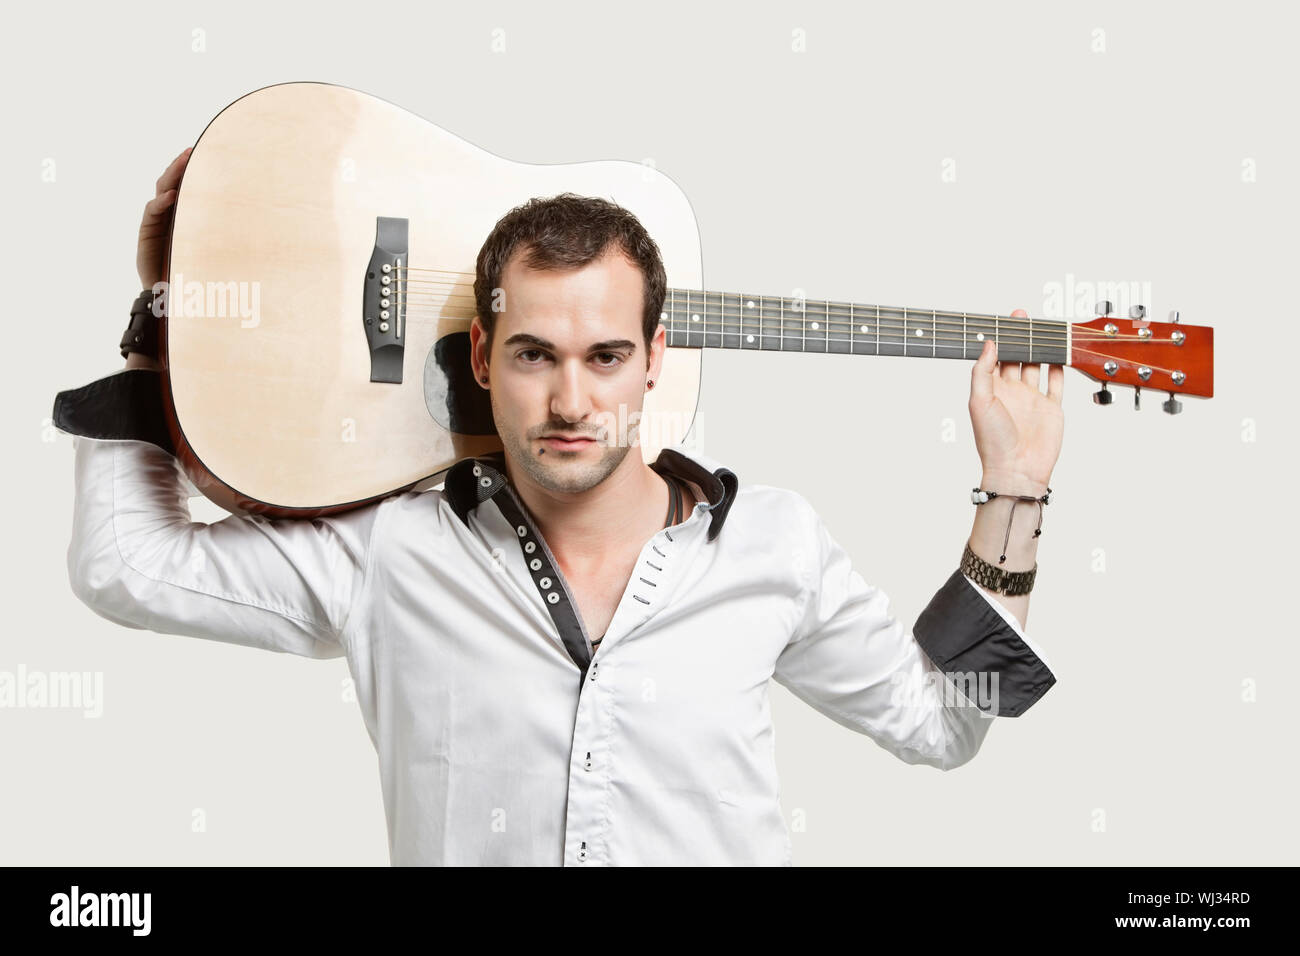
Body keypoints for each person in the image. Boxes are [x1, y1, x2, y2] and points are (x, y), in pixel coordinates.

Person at [63, 148, 1063, 866]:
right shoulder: (392, 551)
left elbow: (943, 719)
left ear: (655, 362)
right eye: (535, 354)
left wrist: (1012, 486)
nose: (572, 400)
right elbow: (127, 563)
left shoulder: (775, 544)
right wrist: (165, 311)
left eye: (606, 357)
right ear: (485, 358)